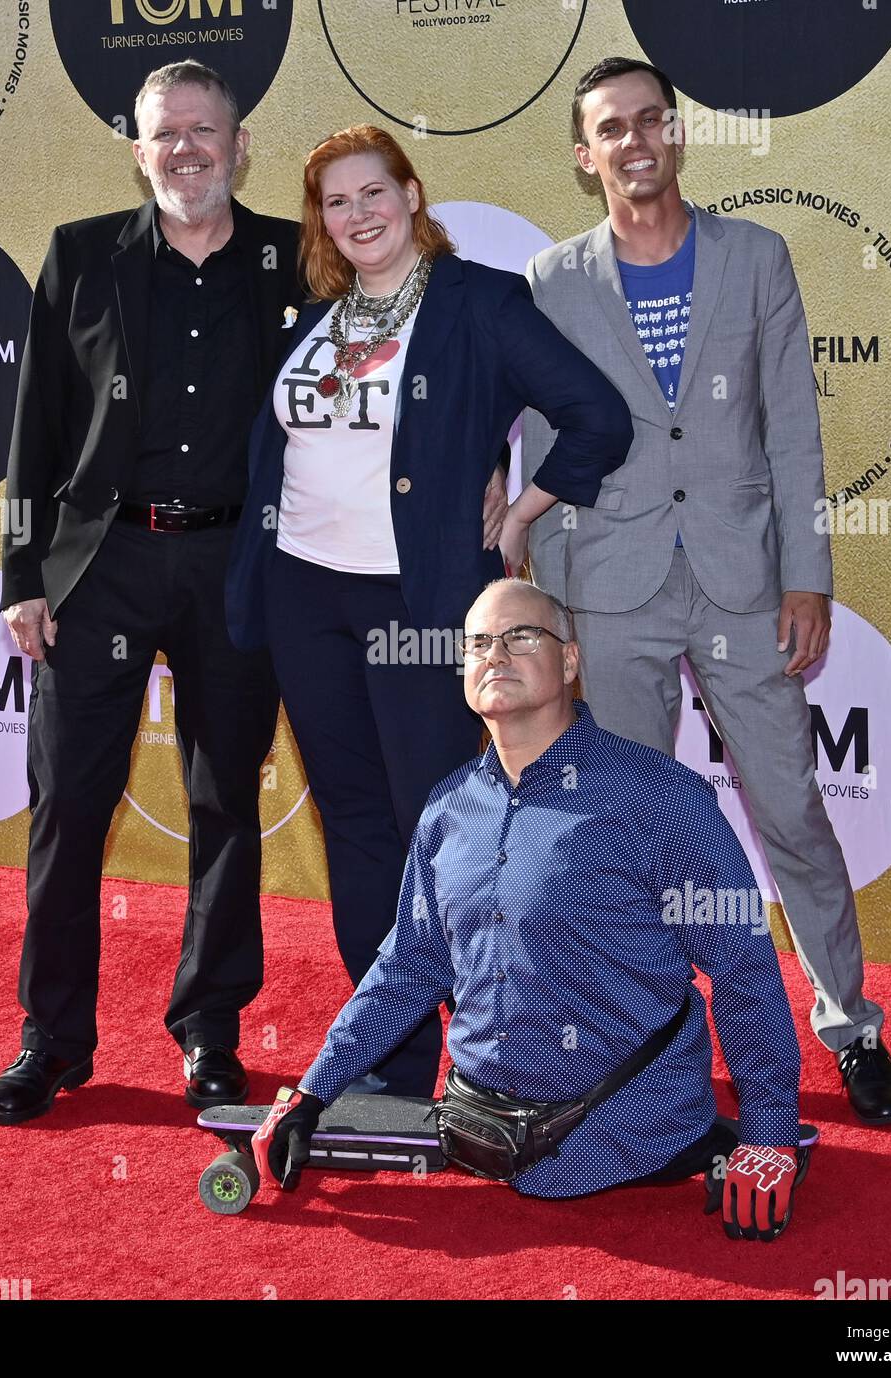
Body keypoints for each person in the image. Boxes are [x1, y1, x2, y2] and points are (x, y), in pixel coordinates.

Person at [521, 57, 891, 1124]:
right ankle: (651, 1036)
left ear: (678, 133)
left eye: (653, 119)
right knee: (627, 827)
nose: (636, 139)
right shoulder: (552, 281)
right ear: (583, 152)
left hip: (743, 583)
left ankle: (851, 1024)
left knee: (791, 810)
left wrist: (807, 576)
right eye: (612, 127)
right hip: (611, 587)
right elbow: (547, 448)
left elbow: (793, 429)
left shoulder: (756, 258)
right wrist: (550, 609)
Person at [225, 124, 633, 1100]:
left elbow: (597, 414)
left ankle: (507, 1053)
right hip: (302, 597)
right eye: (336, 201)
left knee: (441, 830)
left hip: (415, 607)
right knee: (359, 827)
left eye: (375, 192)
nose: (358, 213)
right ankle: (397, 1061)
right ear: (319, 221)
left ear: (412, 196)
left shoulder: (479, 302)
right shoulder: (312, 320)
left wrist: (522, 503)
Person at [252, 579, 808, 1241]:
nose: (496, 654)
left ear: (570, 661)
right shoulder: (448, 808)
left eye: (521, 636)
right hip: (478, 1135)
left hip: (633, 1143)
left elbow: (742, 964)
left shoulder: (662, 800)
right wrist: (313, 1091)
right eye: (479, 643)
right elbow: (408, 969)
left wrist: (770, 1133)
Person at [0, 61, 303, 1125]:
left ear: (240, 144)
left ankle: (211, 1030)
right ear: (138, 147)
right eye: (167, 134)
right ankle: (53, 1039)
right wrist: (24, 574)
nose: (187, 151)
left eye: (206, 132)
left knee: (224, 807)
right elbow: (35, 429)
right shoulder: (80, 255)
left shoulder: (288, 259)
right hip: (100, 568)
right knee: (69, 809)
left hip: (238, 571)